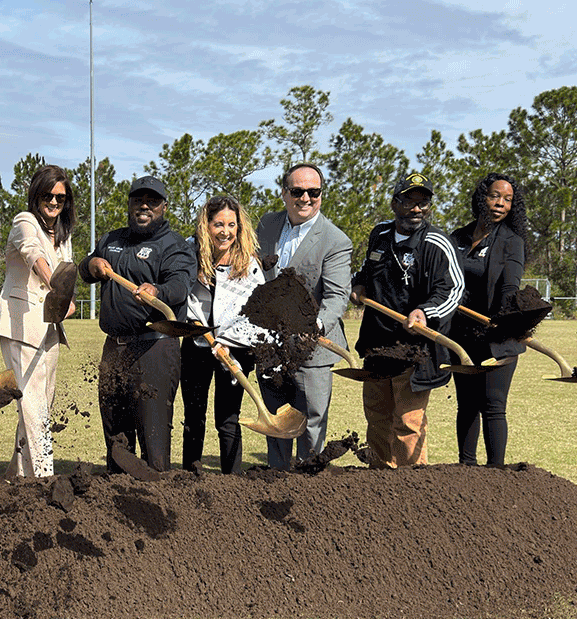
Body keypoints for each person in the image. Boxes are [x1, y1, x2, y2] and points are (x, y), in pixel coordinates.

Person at [79, 175, 197, 473]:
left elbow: (180, 285)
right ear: (129, 204)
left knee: (153, 436)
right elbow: (86, 268)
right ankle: (117, 501)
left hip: (154, 349)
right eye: (138, 200)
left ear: (164, 207)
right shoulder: (111, 239)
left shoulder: (174, 245)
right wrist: (92, 265)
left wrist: (157, 291)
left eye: (152, 201)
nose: (144, 206)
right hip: (114, 348)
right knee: (116, 434)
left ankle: (157, 504)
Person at [350, 172, 464, 468]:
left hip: (415, 350)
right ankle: (378, 481)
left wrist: (426, 311)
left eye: (423, 203)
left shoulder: (437, 243)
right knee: (376, 418)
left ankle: (412, 489)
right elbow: (367, 269)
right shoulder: (380, 234)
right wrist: (359, 285)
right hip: (377, 346)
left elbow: (453, 289)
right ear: (394, 203)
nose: (416, 209)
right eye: (409, 201)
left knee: (407, 423)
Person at [256, 163, 352, 469]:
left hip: (313, 347)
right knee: (277, 418)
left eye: (314, 191)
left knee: (311, 421)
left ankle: (309, 487)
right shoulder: (266, 225)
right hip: (270, 344)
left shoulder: (335, 241)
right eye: (297, 191)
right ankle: (278, 477)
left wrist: (315, 325)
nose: (306, 198)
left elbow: (337, 296)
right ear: (284, 193)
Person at [0, 165, 77, 478]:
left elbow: (66, 272)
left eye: (60, 197)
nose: (54, 202)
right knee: (33, 406)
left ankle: (17, 476)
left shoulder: (62, 235)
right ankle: (43, 479)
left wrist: (66, 297)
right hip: (21, 324)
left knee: (41, 403)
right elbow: (32, 254)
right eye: (48, 195)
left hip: (51, 326)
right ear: (36, 195)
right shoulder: (24, 221)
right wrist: (56, 284)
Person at [448, 173, 529, 466]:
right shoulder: (456, 238)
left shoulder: (511, 242)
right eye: (495, 196)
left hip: (497, 338)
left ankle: (496, 475)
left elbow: (510, 286)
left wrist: (504, 318)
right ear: (481, 197)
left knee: (493, 406)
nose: (500, 204)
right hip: (461, 337)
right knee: (466, 406)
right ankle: (466, 470)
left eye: (507, 199)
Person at [181, 195, 265, 474]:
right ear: (206, 225)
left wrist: (228, 342)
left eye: (231, 225)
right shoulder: (189, 254)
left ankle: (232, 480)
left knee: (228, 419)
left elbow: (256, 310)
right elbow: (184, 297)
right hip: (197, 345)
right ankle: (191, 474)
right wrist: (196, 325)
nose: (225, 232)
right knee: (194, 415)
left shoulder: (248, 263)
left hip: (235, 348)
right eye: (218, 224)